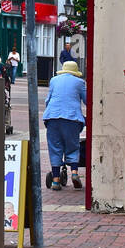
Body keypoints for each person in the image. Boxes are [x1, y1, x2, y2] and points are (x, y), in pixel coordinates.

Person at [44, 60, 87, 190]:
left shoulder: (54, 80)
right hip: (72, 118)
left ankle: (56, 180)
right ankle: (74, 173)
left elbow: (48, 100)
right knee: (73, 146)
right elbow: (87, 101)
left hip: (52, 117)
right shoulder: (80, 82)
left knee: (55, 147)